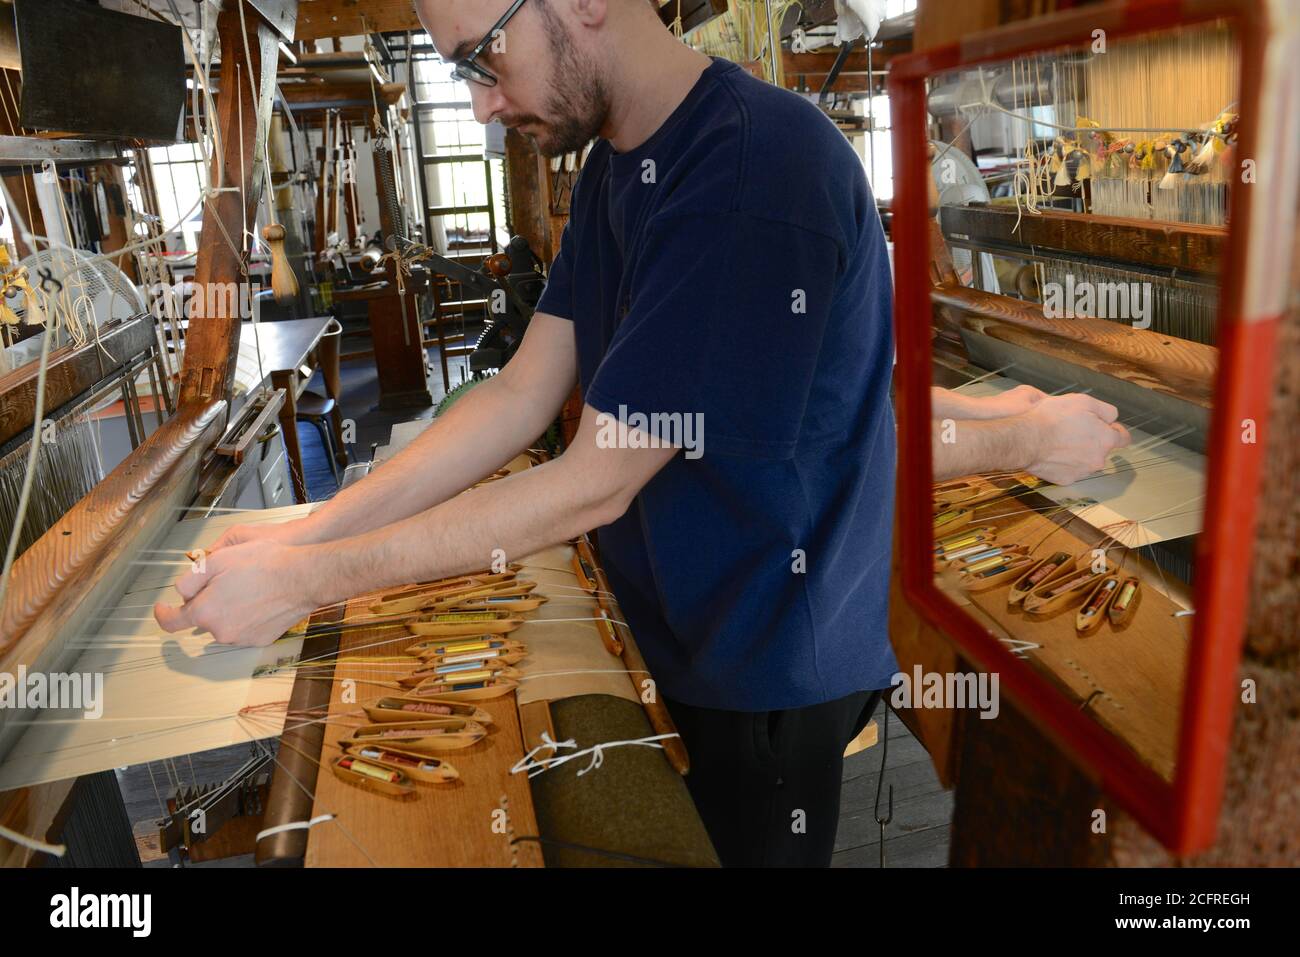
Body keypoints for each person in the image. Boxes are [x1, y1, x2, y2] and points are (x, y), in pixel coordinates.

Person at [156, 0, 1129, 866]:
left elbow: (595, 481)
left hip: (764, 670)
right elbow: (518, 397)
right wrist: (304, 533)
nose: (482, 105)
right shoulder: (624, 167)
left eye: (480, 60)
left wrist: (305, 583)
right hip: (684, 621)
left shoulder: (749, 172)